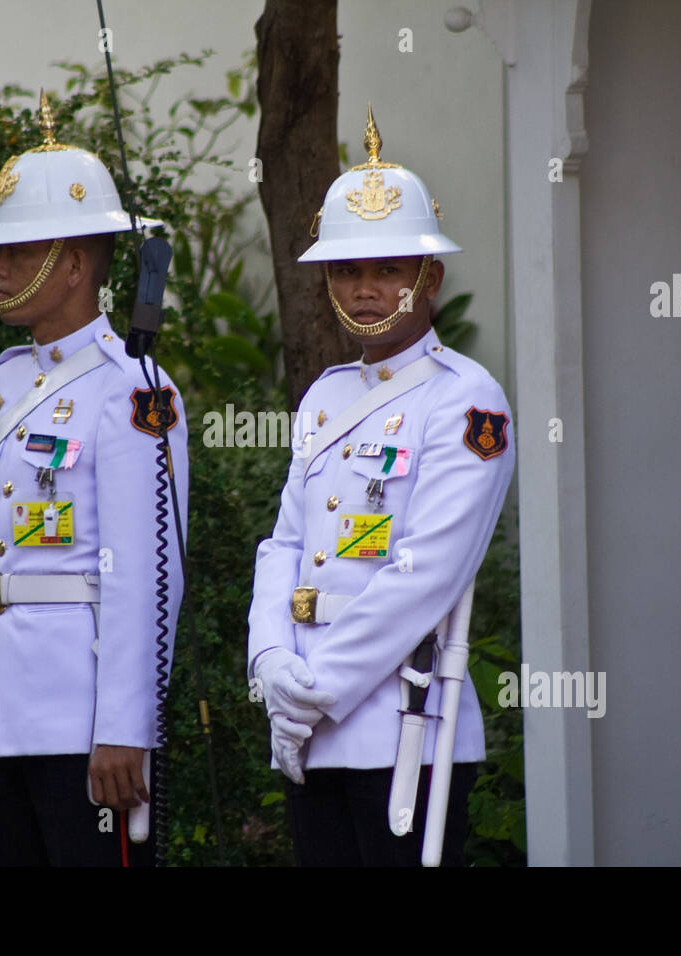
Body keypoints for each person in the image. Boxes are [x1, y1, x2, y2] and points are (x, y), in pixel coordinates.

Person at [0, 94, 187, 867]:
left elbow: (145, 575)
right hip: (12, 718)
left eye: (19, 253)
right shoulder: (2, 385)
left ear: (77, 263)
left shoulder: (133, 391)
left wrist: (125, 725)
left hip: (91, 723)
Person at [246, 106, 514, 866]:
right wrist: (271, 663)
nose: (365, 289)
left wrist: (314, 693)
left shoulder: (466, 400)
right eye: (348, 269)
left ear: (428, 277)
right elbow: (285, 545)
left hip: (403, 726)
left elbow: (424, 575)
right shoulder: (327, 396)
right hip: (307, 726)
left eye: (387, 269)